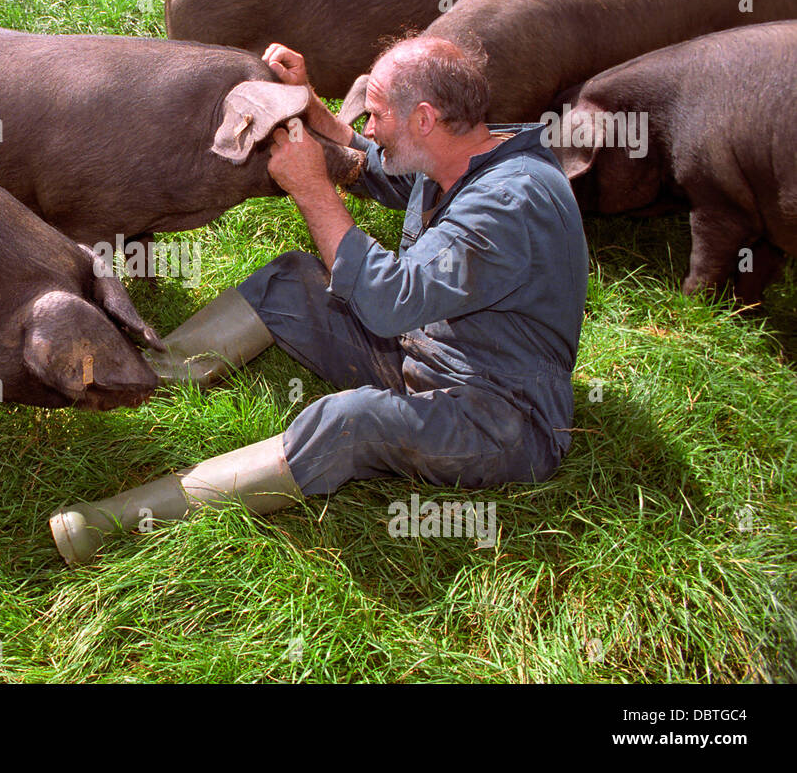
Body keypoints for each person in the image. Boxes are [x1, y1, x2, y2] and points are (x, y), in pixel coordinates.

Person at [50, 35, 588, 565]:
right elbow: (376, 165)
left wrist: (312, 189)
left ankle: (114, 521)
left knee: (349, 422)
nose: (368, 128)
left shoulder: (509, 204)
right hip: (422, 348)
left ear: (424, 118)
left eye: (376, 113)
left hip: (500, 414)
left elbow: (388, 304)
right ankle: (148, 376)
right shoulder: (461, 156)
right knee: (292, 279)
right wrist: (312, 106)